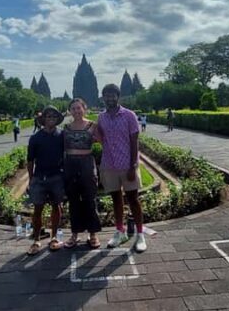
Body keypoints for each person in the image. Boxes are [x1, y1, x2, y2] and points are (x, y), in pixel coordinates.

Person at [97, 84, 146, 253]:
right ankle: (120, 231)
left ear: (118, 97)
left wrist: (133, 165)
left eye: (113, 95)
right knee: (116, 200)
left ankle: (140, 234)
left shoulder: (129, 115)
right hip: (109, 165)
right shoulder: (101, 118)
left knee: (133, 200)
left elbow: (134, 141)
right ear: (103, 97)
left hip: (127, 165)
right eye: (106, 95)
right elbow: (101, 138)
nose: (110, 98)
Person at [63, 98, 101, 249]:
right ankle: (74, 234)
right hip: (70, 164)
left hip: (87, 163)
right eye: (73, 109)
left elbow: (103, 141)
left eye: (79, 108)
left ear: (84, 109)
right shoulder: (66, 128)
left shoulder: (93, 126)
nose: (76, 111)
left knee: (90, 199)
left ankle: (93, 234)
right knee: (73, 201)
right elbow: (62, 148)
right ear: (70, 111)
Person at [26, 105, 65, 255]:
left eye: (54, 117)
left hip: (57, 176)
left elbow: (66, 155)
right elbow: (30, 160)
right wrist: (31, 178)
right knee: (38, 209)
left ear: (57, 119)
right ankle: (36, 239)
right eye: (48, 116)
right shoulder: (36, 138)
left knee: (57, 207)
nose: (51, 119)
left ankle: (54, 237)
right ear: (43, 119)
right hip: (40, 177)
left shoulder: (61, 135)